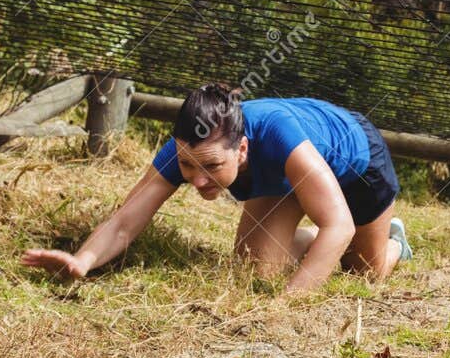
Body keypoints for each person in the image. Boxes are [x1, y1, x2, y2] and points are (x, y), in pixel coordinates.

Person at [21, 84, 411, 294]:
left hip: (356, 162)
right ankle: (307, 239)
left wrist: (289, 302)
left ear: (242, 150)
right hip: (286, 176)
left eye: (211, 167)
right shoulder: (186, 147)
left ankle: (394, 243)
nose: (198, 180)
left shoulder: (278, 136)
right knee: (254, 267)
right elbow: (125, 220)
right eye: (188, 165)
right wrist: (82, 261)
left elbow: (339, 225)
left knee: (364, 272)